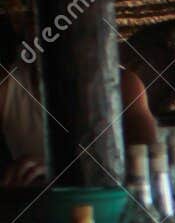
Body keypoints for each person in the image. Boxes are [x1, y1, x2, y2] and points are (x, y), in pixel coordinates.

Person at [1, 19, 157, 188]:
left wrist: (62, 171)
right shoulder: (7, 86)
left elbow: (147, 161)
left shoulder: (124, 86)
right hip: (41, 208)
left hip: (108, 207)